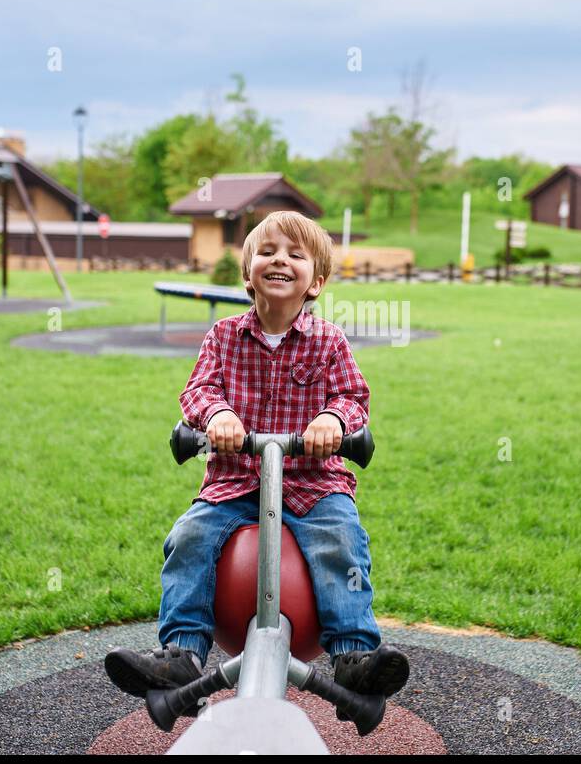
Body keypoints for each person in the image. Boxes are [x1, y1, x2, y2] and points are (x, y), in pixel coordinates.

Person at [105, 209, 410, 712]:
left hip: (314, 484)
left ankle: (355, 656)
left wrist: (333, 422)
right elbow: (198, 389)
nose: (280, 261)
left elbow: (354, 397)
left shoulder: (329, 341)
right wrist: (218, 413)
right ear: (247, 273)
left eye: (296, 254)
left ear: (317, 281)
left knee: (342, 541)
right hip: (235, 482)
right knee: (189, 538)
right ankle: (181, 651)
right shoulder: (223, 337)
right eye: (267, 252)